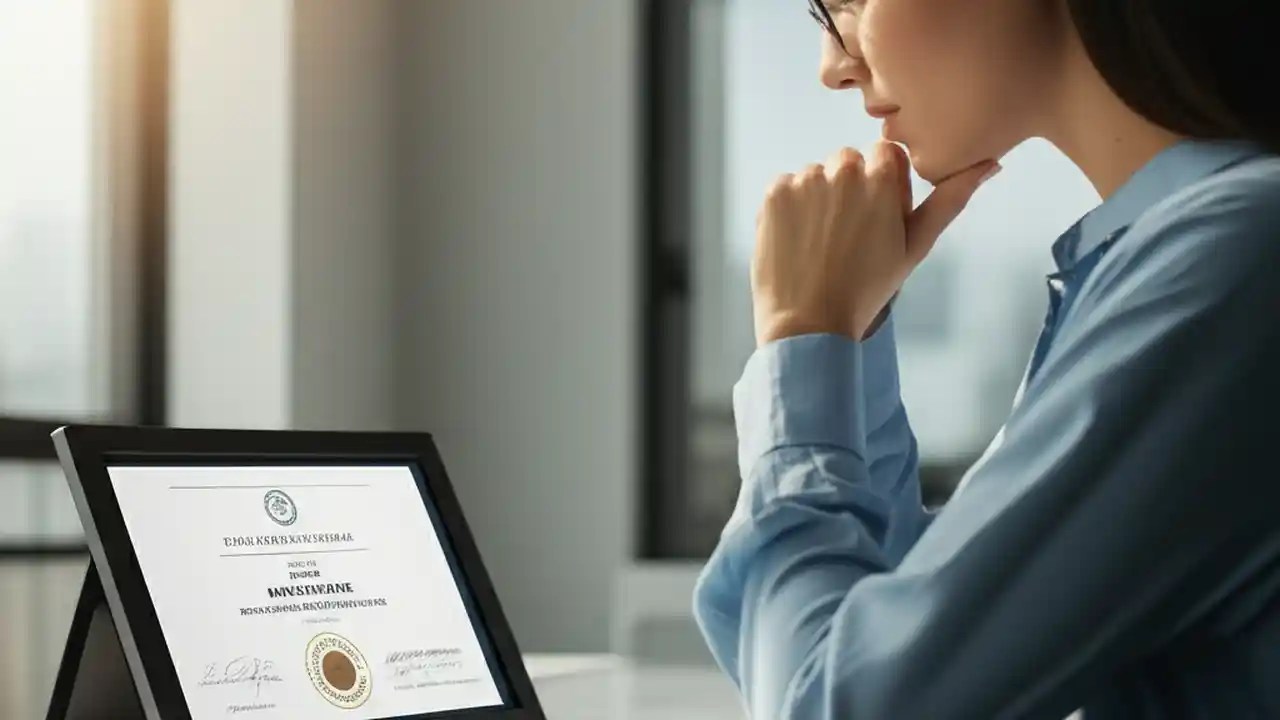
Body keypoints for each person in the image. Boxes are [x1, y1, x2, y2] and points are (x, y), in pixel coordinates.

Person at [691, 0, 1280, 717]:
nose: (831, 67)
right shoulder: (1171, 258)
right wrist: (840, 341)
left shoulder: (1230, 261)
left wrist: (800, 340)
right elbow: (899, 627)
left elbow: (834, 700)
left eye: (843, 4)